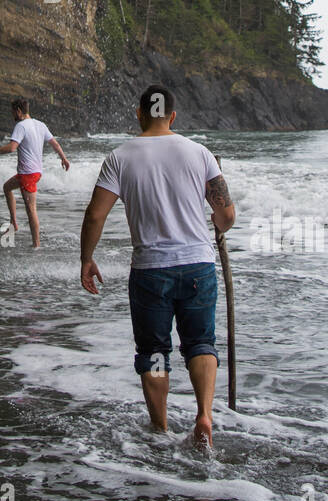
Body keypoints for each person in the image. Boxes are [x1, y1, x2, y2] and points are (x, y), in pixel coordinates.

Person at [79, 83, 235, 448]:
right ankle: (204, 416)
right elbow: (226, 214)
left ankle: (161, 429)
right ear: (173, 116)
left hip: (150, 270)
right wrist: (217, 227)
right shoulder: (200, 153)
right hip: (198, 265)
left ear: (139, 113)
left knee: (155, 353)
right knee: (201, 343)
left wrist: (87, 258)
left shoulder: (120, 156)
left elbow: (94, 215)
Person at [0, 97, 70, 249]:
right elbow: (54, 143)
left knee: (31, 210)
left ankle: (36, 245)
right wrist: (64, 158)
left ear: (19, 111)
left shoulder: (21, 126)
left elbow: (11, 148)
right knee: (7, 187)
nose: (12, 115)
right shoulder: (40, 125)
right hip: (35, 172)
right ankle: (13, 223)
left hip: (27, 174)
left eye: (12, 112)